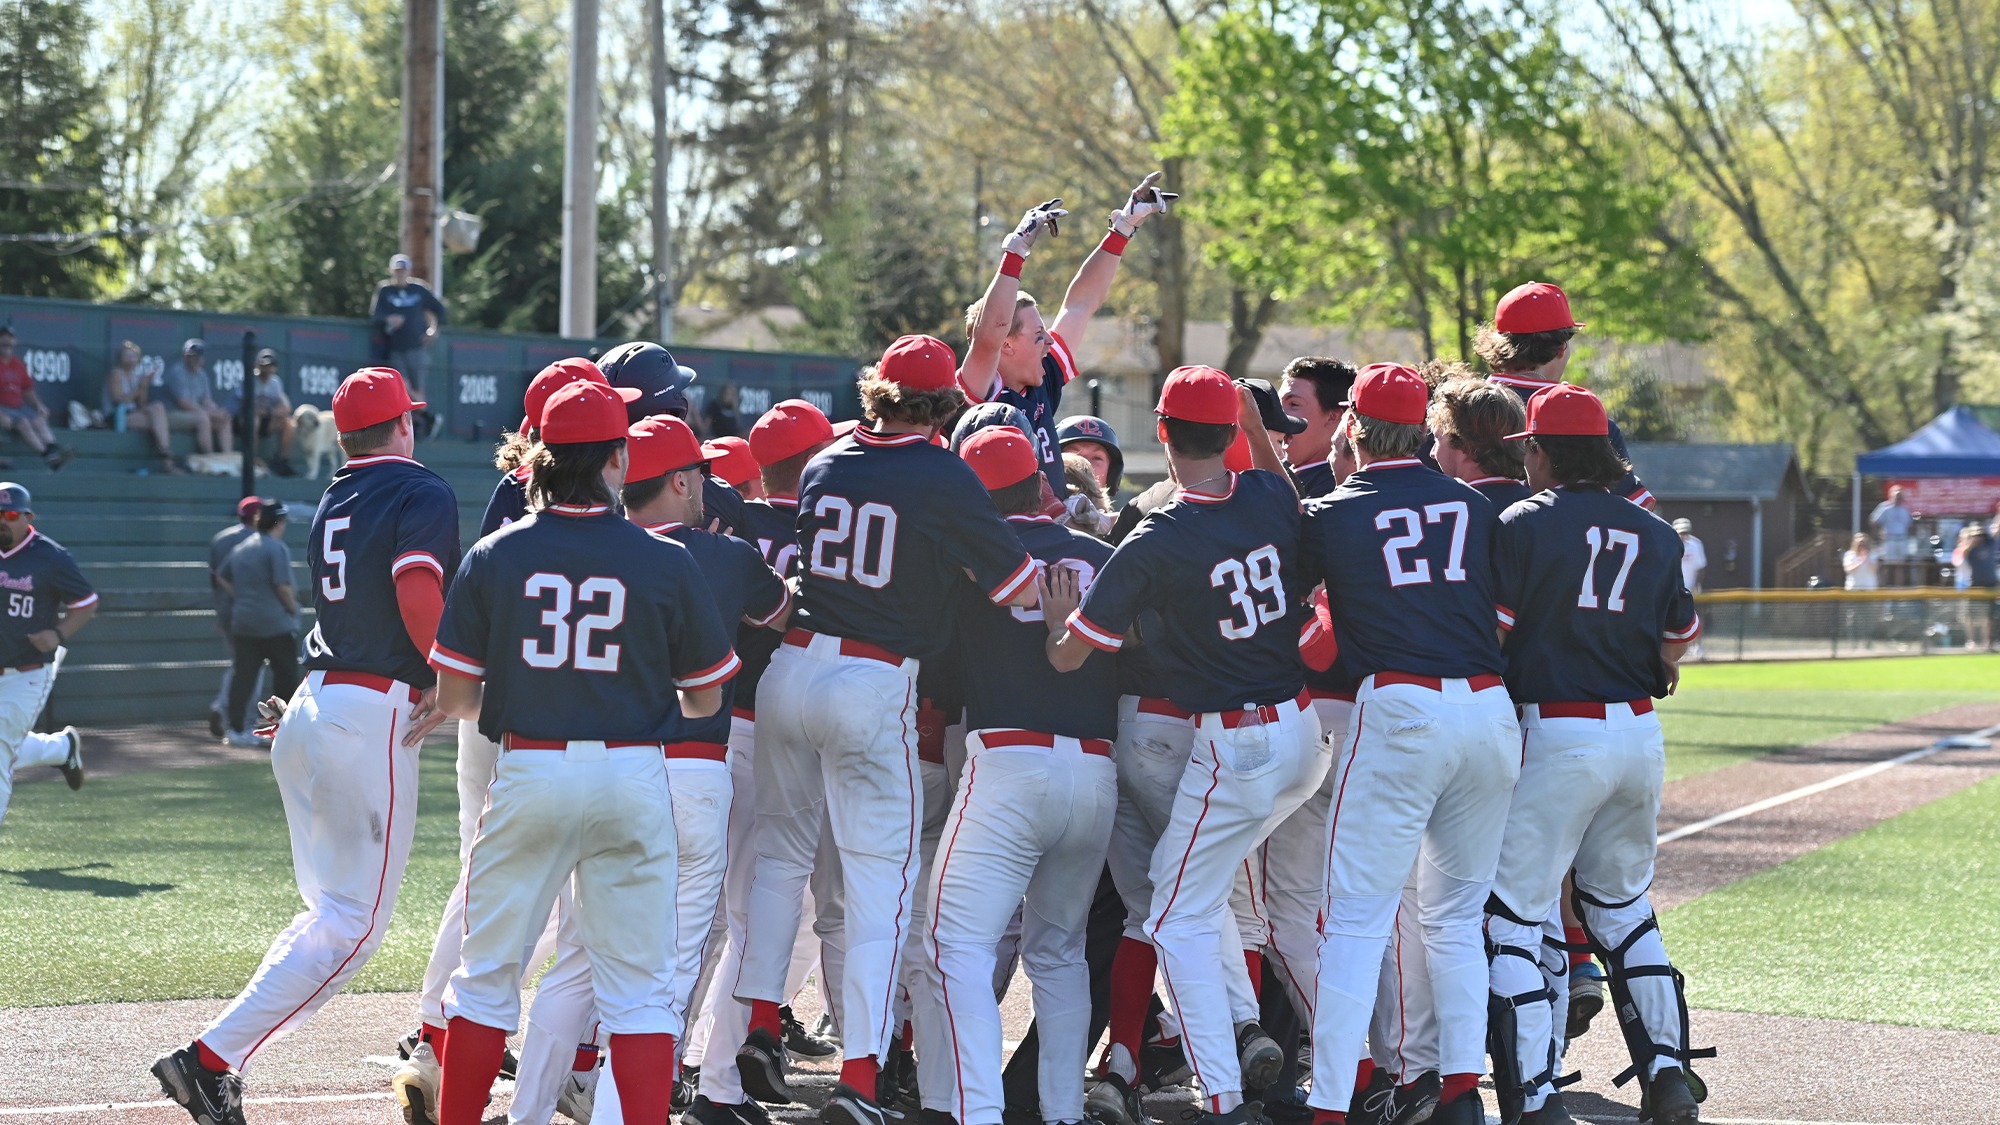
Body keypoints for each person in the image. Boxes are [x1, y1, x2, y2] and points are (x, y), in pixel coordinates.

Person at [729, 335, 1038, 1125]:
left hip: (790, 668)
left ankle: (762, 1017)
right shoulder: (943, 470)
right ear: (942, 407)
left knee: (779, 859)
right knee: (881, 891)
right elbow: (1016, 587)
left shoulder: (827, 459)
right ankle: (860, 1075)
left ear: (878, 392)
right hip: (872, 678)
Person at [426, 379, 740, 1125]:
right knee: (637, 991)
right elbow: (706, 697)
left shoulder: (497, 553)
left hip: (531, 764)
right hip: (633, 771)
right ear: (617, 461)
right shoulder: (664, 559)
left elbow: (453, 698)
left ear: (541, 457)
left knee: (487, 978)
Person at [152, 368, 461, 1125]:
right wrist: (454, 680)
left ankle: (215, 1061)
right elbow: (419, 591)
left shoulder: (333, 495)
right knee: (352, 926)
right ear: (403, 424)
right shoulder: (420, 489)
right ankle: (209, 1058)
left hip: (313, 701)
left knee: (330, 913)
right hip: (367, 711)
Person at [1048, 366, 1320, 1125]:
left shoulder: (1157, 533)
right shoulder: (1268, 495)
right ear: (1232, 432)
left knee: (1170, 915)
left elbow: (1075, 654)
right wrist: (1254, 425)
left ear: (1161, 433)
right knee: (1217, 903)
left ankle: (1226, 1089)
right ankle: (1253, 1038)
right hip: (1299, 733)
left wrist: (1054, 624)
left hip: (1235, 742)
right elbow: (1284, 490)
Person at [1297, 363, 1520, 1125]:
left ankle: (1332, 1101)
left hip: (1400, 705)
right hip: (1488, 709)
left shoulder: (1328, 512)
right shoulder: (1476, 504)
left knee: (1355, 918)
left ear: (1351, 426)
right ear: (1425, 428)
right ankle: (1461, 1090)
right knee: (1455, 916)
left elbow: (1301, 629)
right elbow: (1505, 619)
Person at [1484, 384, 1705, 1125]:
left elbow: (1497, 634)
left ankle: (1536, 1093)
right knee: (1622, 908)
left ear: (1544, 450)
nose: (1528, 463)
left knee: (1513, 917)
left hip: (1554, 728)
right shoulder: (1655, 529)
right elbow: (1680, 641)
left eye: (1531, 450)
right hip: (1638, 730)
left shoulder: (1521, 521)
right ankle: (1667, 1074)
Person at [574, 414, 793, 1125]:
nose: (705, 482)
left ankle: (568, 1087)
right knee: (673, 961)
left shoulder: (594, 549)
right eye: (696, 472)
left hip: (608, 764)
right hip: (696, 766)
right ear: (678, 479)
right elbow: (785, 612)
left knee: (593, 953)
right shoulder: (718, 556)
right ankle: (630, 1105)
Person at [924, 426, 1119, 1125]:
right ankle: (1060, 1113)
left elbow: (938, 679)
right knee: (1060, 953)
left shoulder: (967, 562)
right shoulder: (1103, 555)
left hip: (1007, 762)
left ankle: (977, 1111)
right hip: (1097, 770)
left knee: (956, 943)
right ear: (1045, 484)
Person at [958, 174, 1176, 498]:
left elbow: (1080, 305)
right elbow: (987, 335)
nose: (1049, 341)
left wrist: (1123, 228)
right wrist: (1015, 251)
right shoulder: (983, 392)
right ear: (1006, 343)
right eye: (1037, 336)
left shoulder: (1039, 378)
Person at [1473, 282, 1650, 509]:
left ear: (1498, 343)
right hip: (1561, 542)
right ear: (1561, 348)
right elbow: (1636, 511)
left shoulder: (1457, 409)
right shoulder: (1588, 420)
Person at [0, 482, 91, 826]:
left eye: (10, 515)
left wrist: (58, 633)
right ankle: (61, 749)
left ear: (27, 517)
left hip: (27, 671)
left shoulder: (50, 556)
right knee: (4, 744)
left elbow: (86, 602)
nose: (3, 522)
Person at [216, 500, 302, 747]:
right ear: (279, 523)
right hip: (276, 624)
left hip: (244, 622)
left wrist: (243, 596)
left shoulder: (242, 547)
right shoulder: (276, 548)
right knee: (285, 677)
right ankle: (283, 729)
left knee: (243, 676)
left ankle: (235, 729)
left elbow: (222, 575)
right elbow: (282, 587)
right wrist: (291, 608)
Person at [208, 497, 263, 738]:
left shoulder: (220, 538)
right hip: (251, 612)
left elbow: (214, 579)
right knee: (252, 668)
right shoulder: (256, 541)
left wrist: (221, 611)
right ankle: (242, 720)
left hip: (226, 610)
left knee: (240, 665)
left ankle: (222, 706)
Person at [371, 254, 447, 420]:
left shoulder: (418, 289)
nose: (400, 273)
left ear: (409, 271)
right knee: (401, 385)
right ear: (392, 271)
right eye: (397, 270)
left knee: (418, 387)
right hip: (395, 347)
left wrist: (434, 330)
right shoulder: (385, 290)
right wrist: (388, 319)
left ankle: (422, 424)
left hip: (417, 347)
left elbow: (440, 309)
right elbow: (375, 316)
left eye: (403, 270)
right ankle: (426, 418)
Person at [1277, 356, 1359, 497]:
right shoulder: (1280, 470)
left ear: (1332, 417)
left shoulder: (1334, 488)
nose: (1278, 414)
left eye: (1294, 404)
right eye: (1278, 404)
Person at [0, 327, 73, 470]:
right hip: (3, 409)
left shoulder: (18, 365)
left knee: (39, 419)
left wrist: (39, 405)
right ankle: (47, 456)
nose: (7, 341)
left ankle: (53, 450)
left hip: (18, 407)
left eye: (10, 338)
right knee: (23, 423)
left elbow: (28, 390)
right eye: (3, 338)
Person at [104, 339, 180, 474]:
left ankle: (164, 450)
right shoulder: (116, 374)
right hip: (116, 416)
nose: (131, 359)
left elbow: (141, 404)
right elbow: (118, 400)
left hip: (133, 412)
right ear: (120, 358)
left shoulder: (136, 375)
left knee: (157, 407)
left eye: (133, 356)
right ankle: (167, 460)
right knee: (158, 422)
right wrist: (140, 388)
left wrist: (144, 386)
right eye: (127, 356)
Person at [165, 339, 235, 455]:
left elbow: (206, 400)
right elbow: (183, 403)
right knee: (203, 418)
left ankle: (227, 456)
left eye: (199, 356)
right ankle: (209, 457)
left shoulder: (202, 375)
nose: (197, 359)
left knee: (224, 418)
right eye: (193, 356)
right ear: (185, 356)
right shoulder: (177, 372)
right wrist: (211, 413)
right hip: (172, 413)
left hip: (193, 413)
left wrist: (216, 411)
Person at [249, 349, 299, 476]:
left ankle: (282, 461)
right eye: (263, 365)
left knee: (288, 422)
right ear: (257, 365)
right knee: (254, 419)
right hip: (246, 421)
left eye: (270, 365)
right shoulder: (250, 379)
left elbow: (286, 407)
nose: (267, 369)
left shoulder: (275, 382)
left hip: (268, 420)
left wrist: (273, 414)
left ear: (275, 367)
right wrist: (271, 412)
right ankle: (250, 460)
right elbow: (251, 407)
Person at [1057, 415, 1126, 497]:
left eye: (1097, 458)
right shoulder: (1038, 509)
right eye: (1074, 456)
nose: (1086, 465)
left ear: (1112, 473)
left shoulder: (1133, 509)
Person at [1870, 487, 1914, 563]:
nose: (1898, 499)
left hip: (1902, 539)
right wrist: (1877, 534)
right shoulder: (1885, 507)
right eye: (1897, 496)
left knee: (1901, 562)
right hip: (1889, 539)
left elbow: (1909, 524)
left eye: (1900, 497)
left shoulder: (1905, 509)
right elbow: (1874, 521)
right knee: (1889, 562)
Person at [1673, 519, 1706, 594]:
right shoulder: (1670, 545)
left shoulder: (1696, 545)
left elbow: (1700, 568)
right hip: (1674, 588)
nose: (1683, 536)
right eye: (1681, 533)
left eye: (1685, 533)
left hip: (1691, 588)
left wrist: (1697, 584)